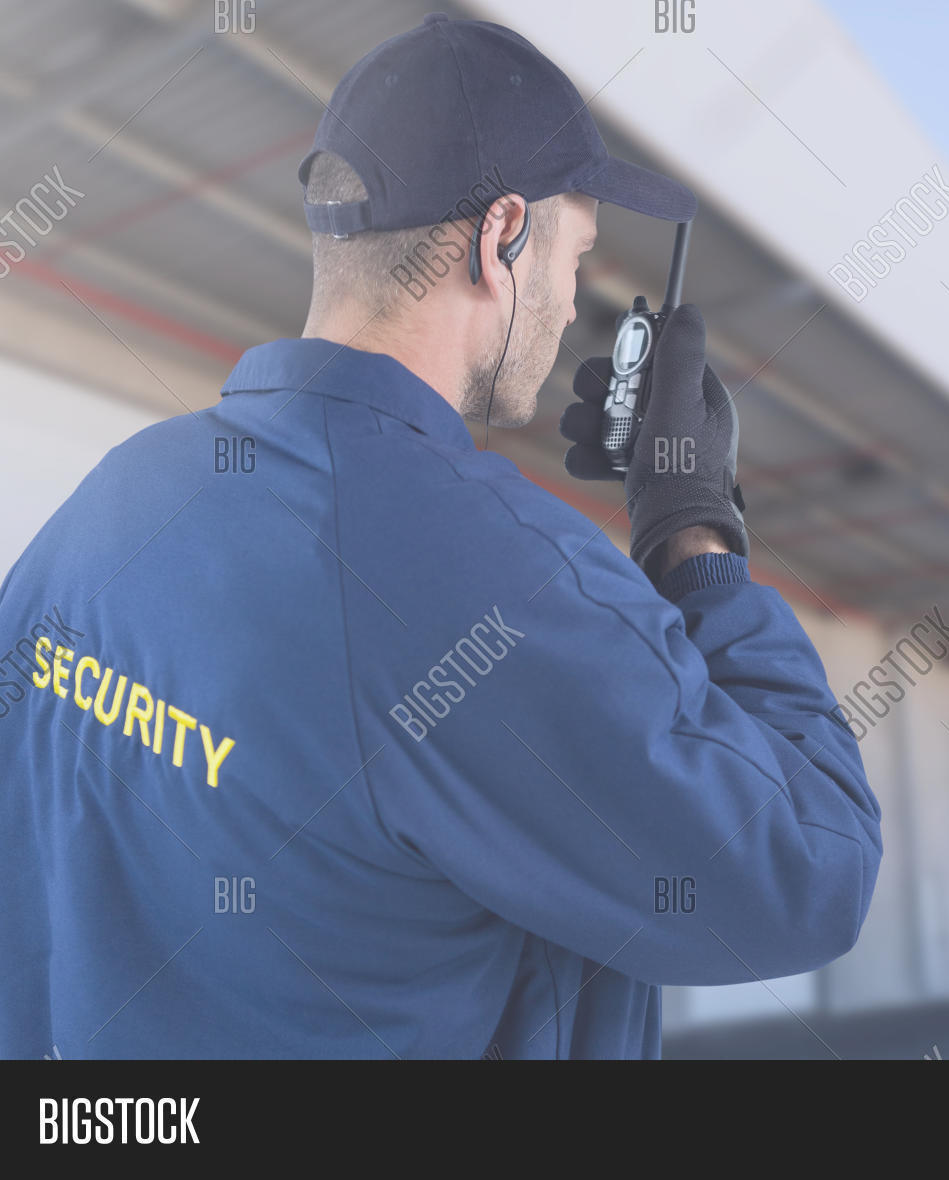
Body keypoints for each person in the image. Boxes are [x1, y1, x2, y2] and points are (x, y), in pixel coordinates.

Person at [0, 15, 881, 1059]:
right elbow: (811, 873)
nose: (565, 309)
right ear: (500, 236)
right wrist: (695, 533)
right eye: (574, 257)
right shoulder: (503, 586)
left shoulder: (116, 500)